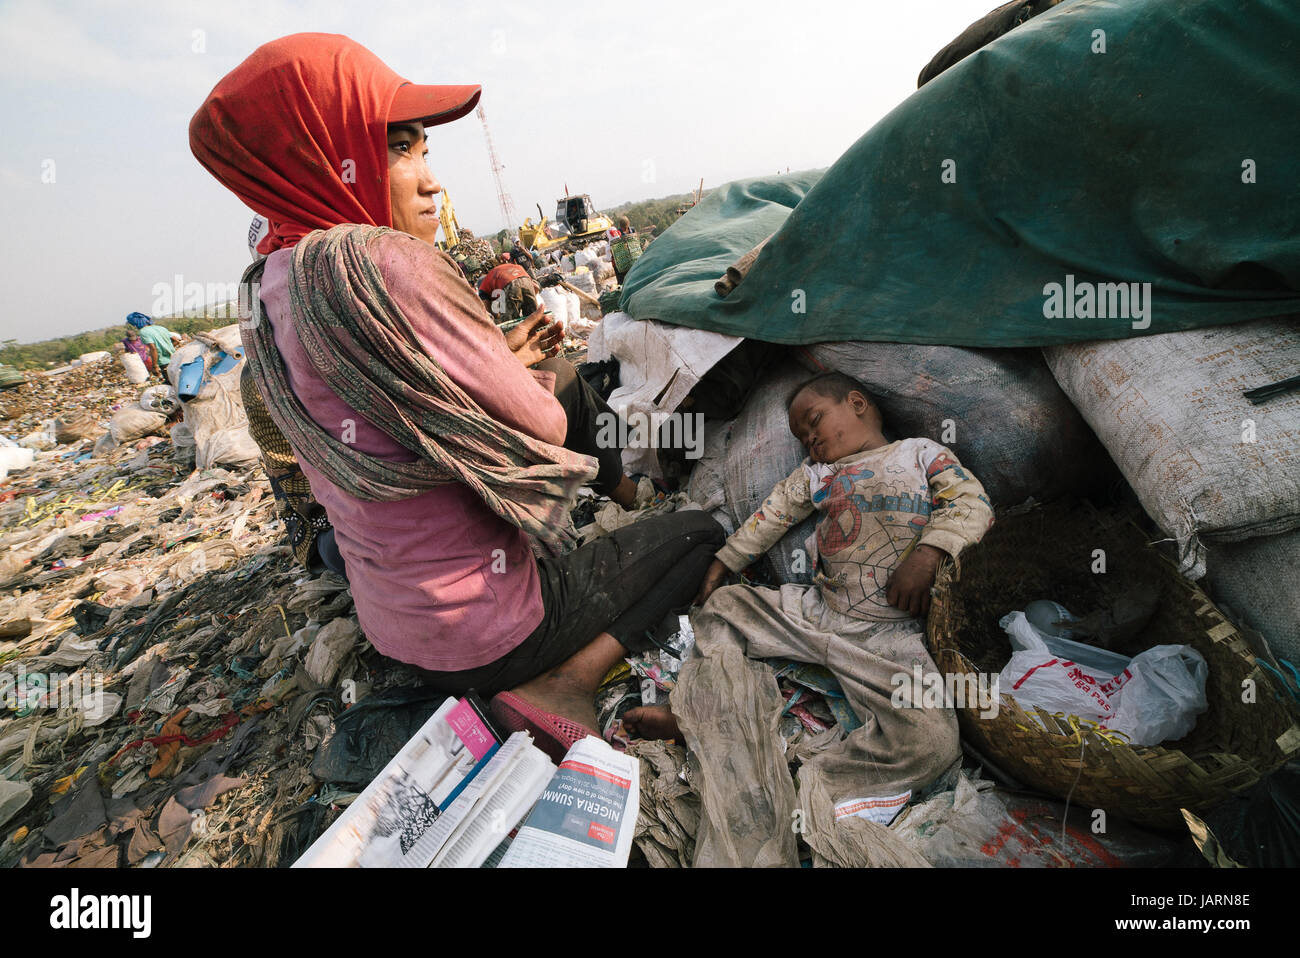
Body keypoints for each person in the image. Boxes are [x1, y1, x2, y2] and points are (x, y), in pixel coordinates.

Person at [189, 33, 723, 760]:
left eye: (425, 152)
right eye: (401, 150)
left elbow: (386, 412)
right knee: (697, 535)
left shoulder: (268, 292)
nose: (430, 180)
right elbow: (538, 421)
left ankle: (615, 504)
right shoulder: (382, 261)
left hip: (398, 632)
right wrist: (520, 377)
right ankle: (567, 679)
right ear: (324, 151)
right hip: (490, 635)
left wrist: (494, 365)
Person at [623, 371, 994, 826]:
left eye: (814, 421)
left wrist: (928, 554)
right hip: (817, 613)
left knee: (932, 741)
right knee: (724, 608)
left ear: (857, 403)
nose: (810, 439)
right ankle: (700, 712)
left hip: (887, 638)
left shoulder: (919, 453)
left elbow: (971, 502)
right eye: (801, 436)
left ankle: (803, 782)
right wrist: (726, 561)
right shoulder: (820, 473)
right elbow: (773, 514)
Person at [478, 256, 540, 323]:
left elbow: (487, 308)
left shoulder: (486, 281)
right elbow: (536, 287)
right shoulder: (510, 266)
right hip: (526, 279)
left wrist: (496, 320)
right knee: (533, 318)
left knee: (511, 323)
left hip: (510, 284)